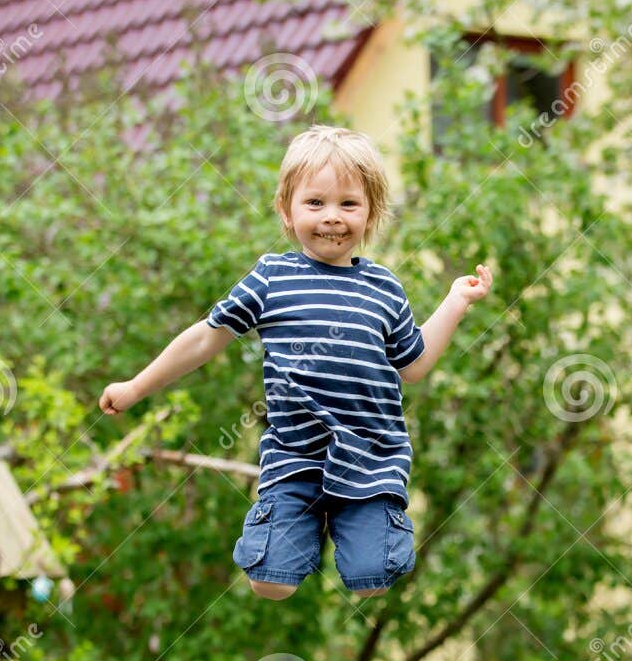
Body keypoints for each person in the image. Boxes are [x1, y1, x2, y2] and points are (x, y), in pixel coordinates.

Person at [99, 124, 492, 599]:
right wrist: (136, 386)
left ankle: (354, 528)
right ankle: (301, 529)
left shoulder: (384, 288)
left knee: (371, 581)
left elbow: (413, 365)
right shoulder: (272, 277)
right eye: (315, 203)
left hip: (371, 460)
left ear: (371, 214)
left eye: (349, 204)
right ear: (287, 211)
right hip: (294, 459)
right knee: (270, 584)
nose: (332, 217)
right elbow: (207, 338)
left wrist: (454, 301)